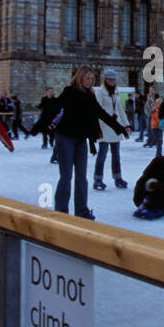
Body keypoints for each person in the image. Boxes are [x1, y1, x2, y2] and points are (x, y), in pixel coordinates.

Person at [30, 66, 127, 219]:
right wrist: (39, 126)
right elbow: (54, 108)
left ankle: (81, 211)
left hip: (81, 140)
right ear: (80, 78)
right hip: (65, 138)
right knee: (66, 176)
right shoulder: (69, 91)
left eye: (92, 79)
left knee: (81, 177)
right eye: (87, 78)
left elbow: (100, 113)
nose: (90, 81)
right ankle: (61, 210)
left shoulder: (90, 95)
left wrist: (118, 127)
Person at [91, 69, 132, 190]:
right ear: (105, 79)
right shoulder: (100, 93)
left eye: (113, 79)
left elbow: (120, 110)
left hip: (115, 126)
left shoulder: (116, 92)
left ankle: (118, 178)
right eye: (110, 79)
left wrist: (126, 125)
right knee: (102, 154)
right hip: (104, 126)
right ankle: (98, 179)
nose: (112, 81)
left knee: (116, 154)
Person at [38, 87, 58, 151]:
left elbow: (57, 108)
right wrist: (38, 106)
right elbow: (42, 106)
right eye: (49, 91)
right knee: (44, 131)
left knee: (51, 131)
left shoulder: (55, 99)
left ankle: (51, 142)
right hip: (44, 117)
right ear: (47, 92)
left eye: (51, 91)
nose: (50, 92)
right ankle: (45, 143)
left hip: (52, 117)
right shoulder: (44, 99)